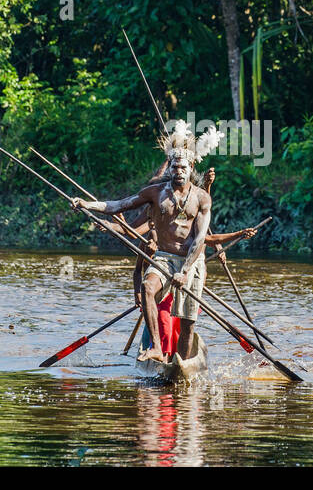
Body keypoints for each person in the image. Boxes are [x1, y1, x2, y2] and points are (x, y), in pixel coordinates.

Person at [73, 122, 212, 363]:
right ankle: (156, 348)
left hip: (191, 261)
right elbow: (119, 205)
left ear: (191, 169)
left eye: (183, 167)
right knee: (148, 288)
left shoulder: (201, 198)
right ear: (171, 169)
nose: (179, 171)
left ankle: (182, 363)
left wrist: (186, 270)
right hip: (165, 258)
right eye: (175, 167)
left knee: (188, 323)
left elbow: (200, 238)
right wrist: (87, 205)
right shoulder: (156, 193)